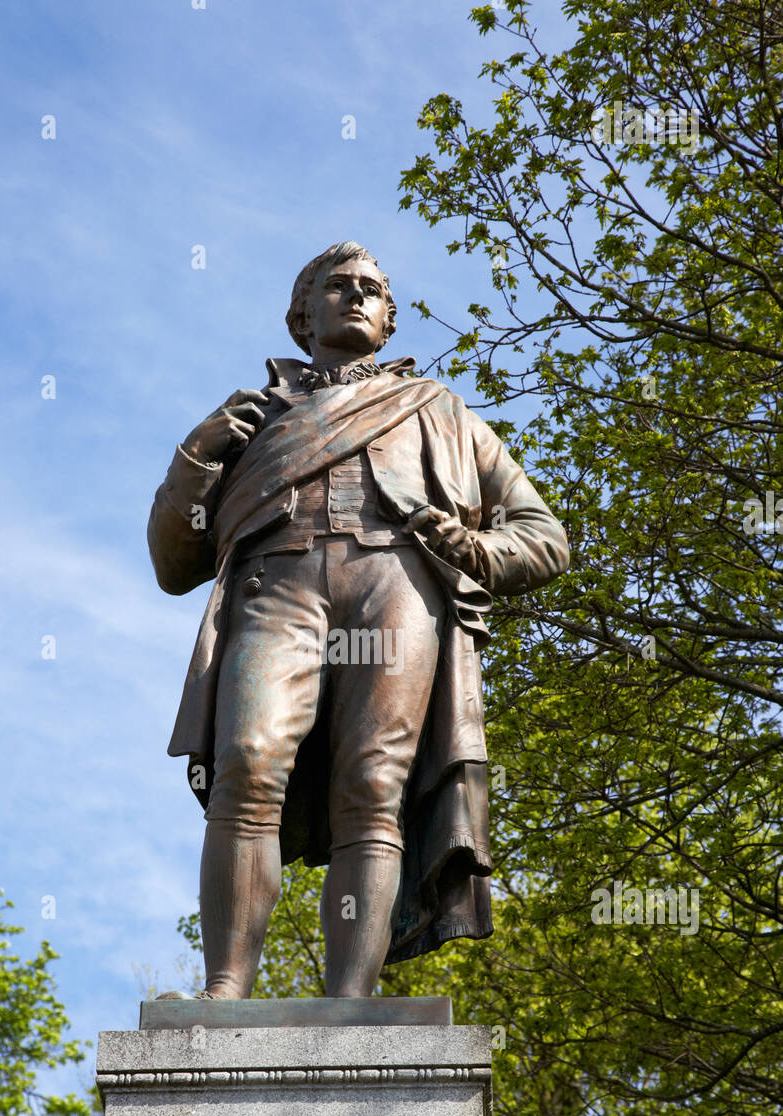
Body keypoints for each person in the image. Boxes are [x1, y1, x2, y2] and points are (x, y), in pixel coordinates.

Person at [148, 241, 569, 998]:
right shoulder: (246, 419)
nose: (355, 296)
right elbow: (173, 564)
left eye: (370, 288)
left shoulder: (439, 410)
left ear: (388, 319)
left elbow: (544, 538)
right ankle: (224, 989)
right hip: (276, 587)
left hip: (396, 587)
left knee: (374, 784)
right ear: (300, 313)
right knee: (244, 760)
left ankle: (352, 1002)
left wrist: (473, 547)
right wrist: (196, 456)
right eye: (335, 286)